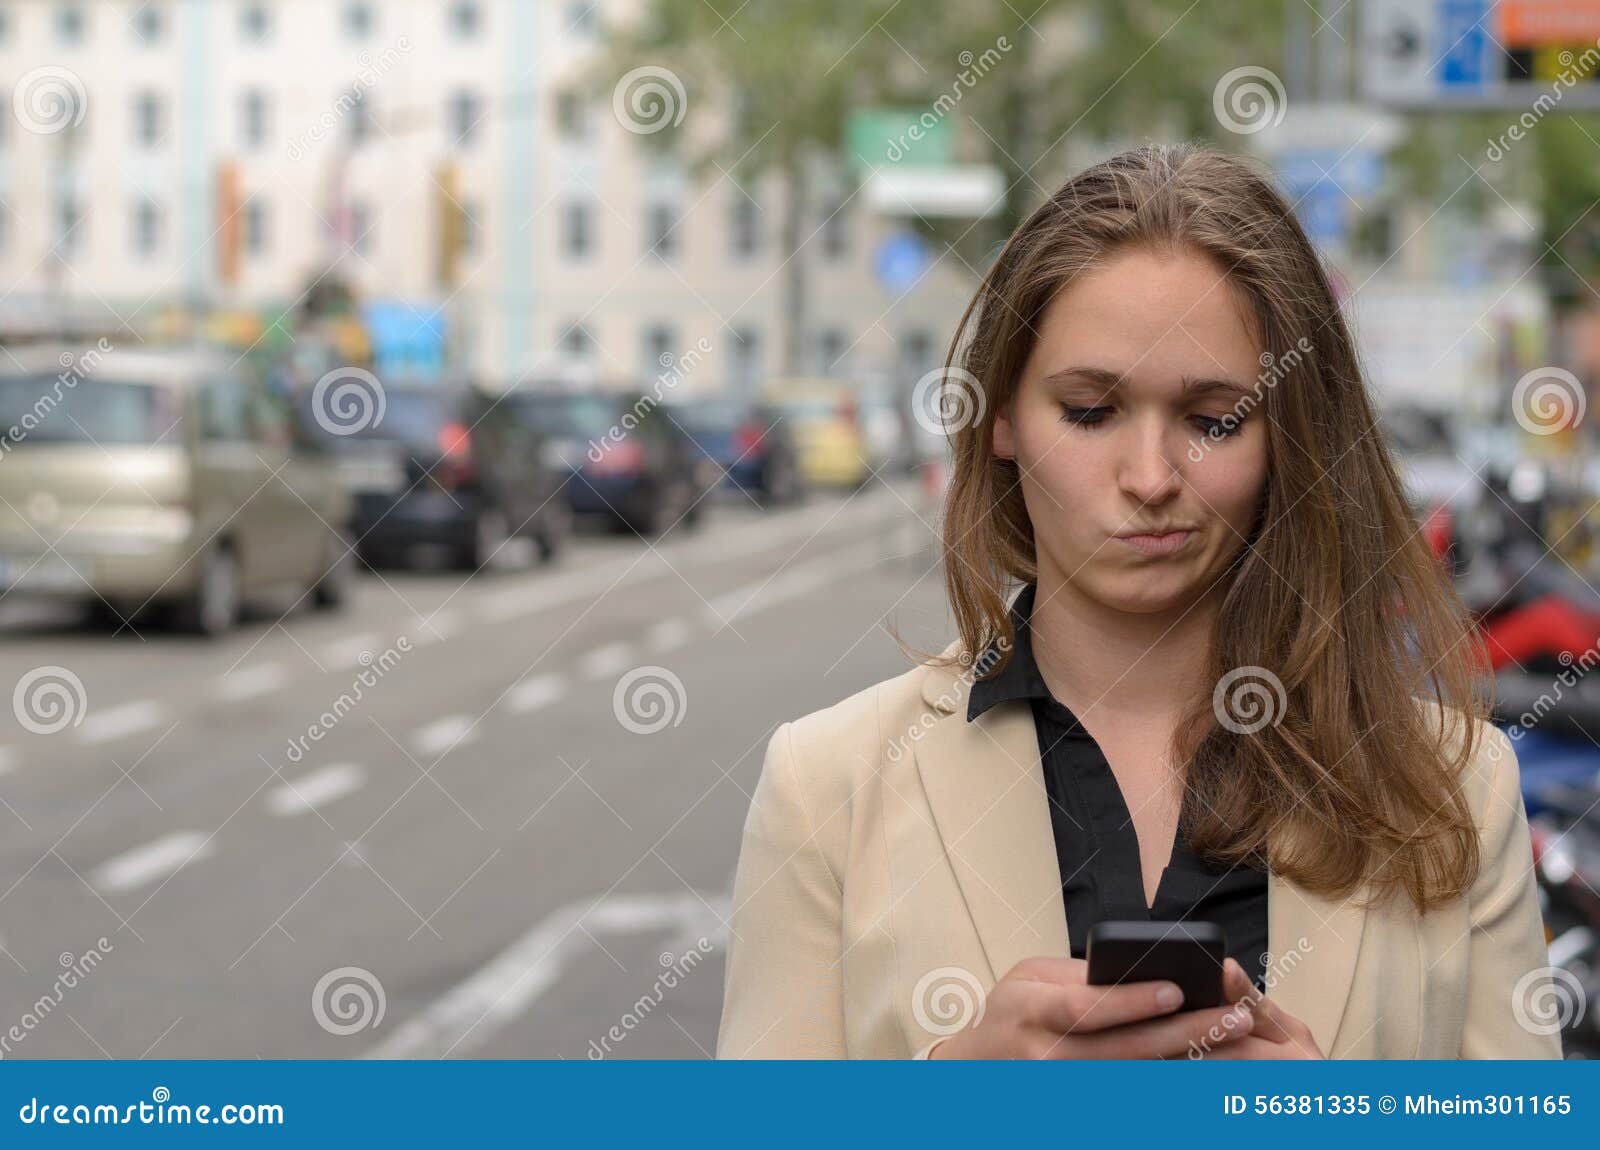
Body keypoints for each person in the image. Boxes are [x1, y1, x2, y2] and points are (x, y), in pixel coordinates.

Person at [715, 143, 1561, 1060]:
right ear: (999, 416)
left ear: (1296, 435)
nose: (1152, 478)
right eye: (1089, 411)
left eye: (1215, 421)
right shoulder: (827, 786)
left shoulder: (1458, 787)